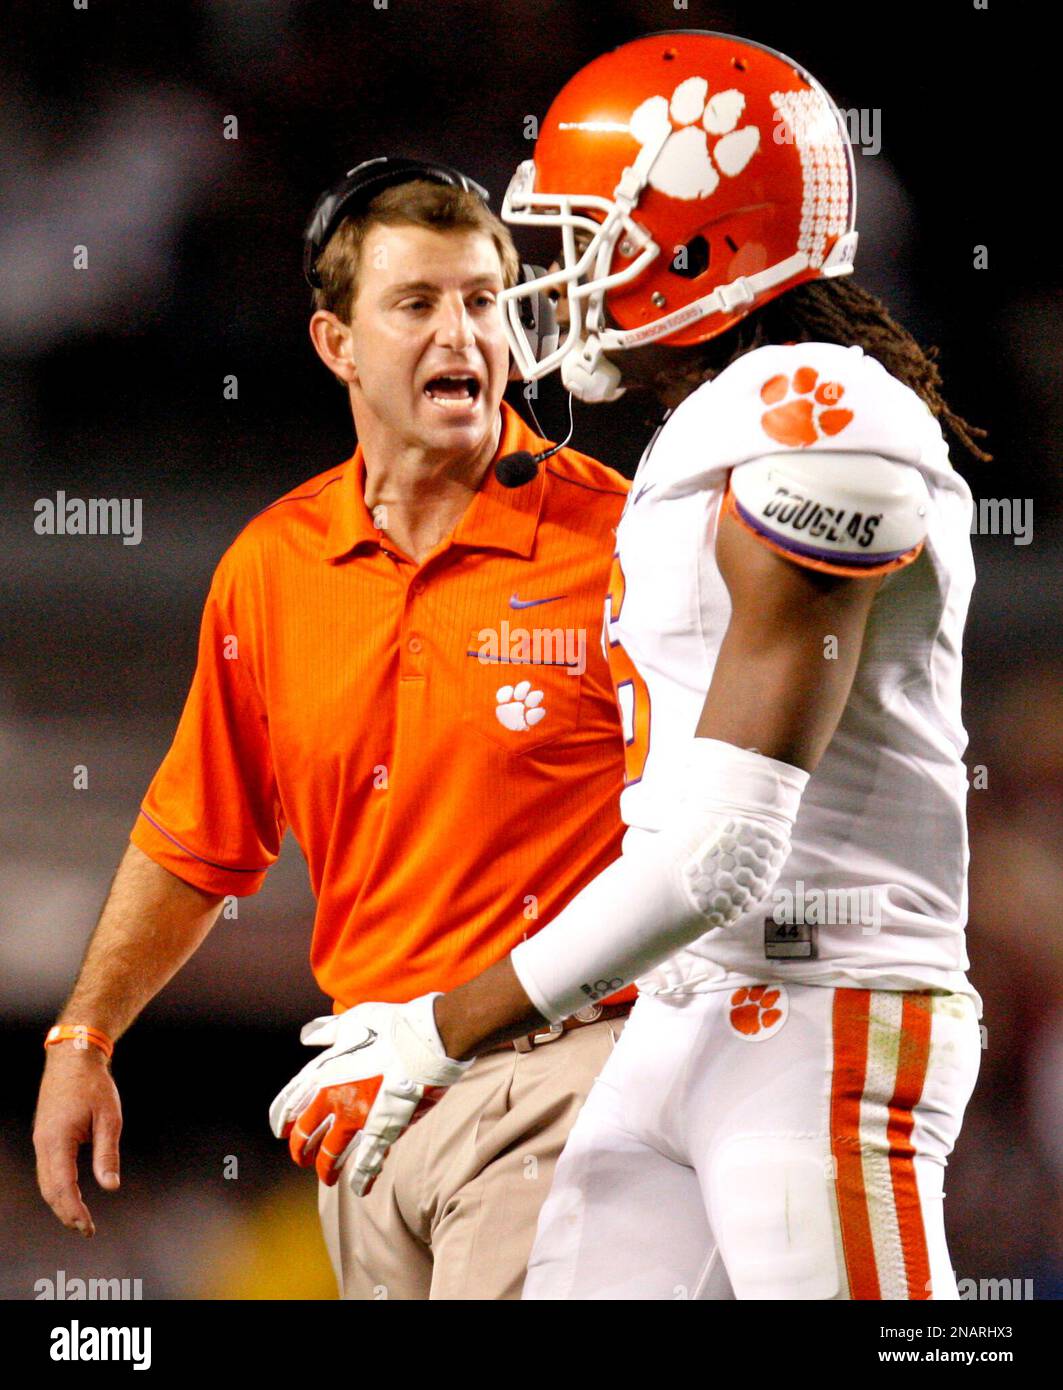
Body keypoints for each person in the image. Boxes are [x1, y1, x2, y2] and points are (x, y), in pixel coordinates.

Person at [269, 35, 990, 1302]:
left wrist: (442, 1029)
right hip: (687, 1007)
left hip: (825, 1000)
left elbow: (722, 850)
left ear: (699, 245)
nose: (552, 279)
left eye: (588, 233)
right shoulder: (702, 434)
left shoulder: (820, 422)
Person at [32, 158, 635, 1301]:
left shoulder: (619, 545)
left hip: (566, 1074)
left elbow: (711, 839)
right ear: (336, 344)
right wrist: (85, 1037)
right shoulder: (271, 567)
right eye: (416, 304)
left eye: (481, 300)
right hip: (365, 1099)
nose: (459, 332)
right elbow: (196, 843)